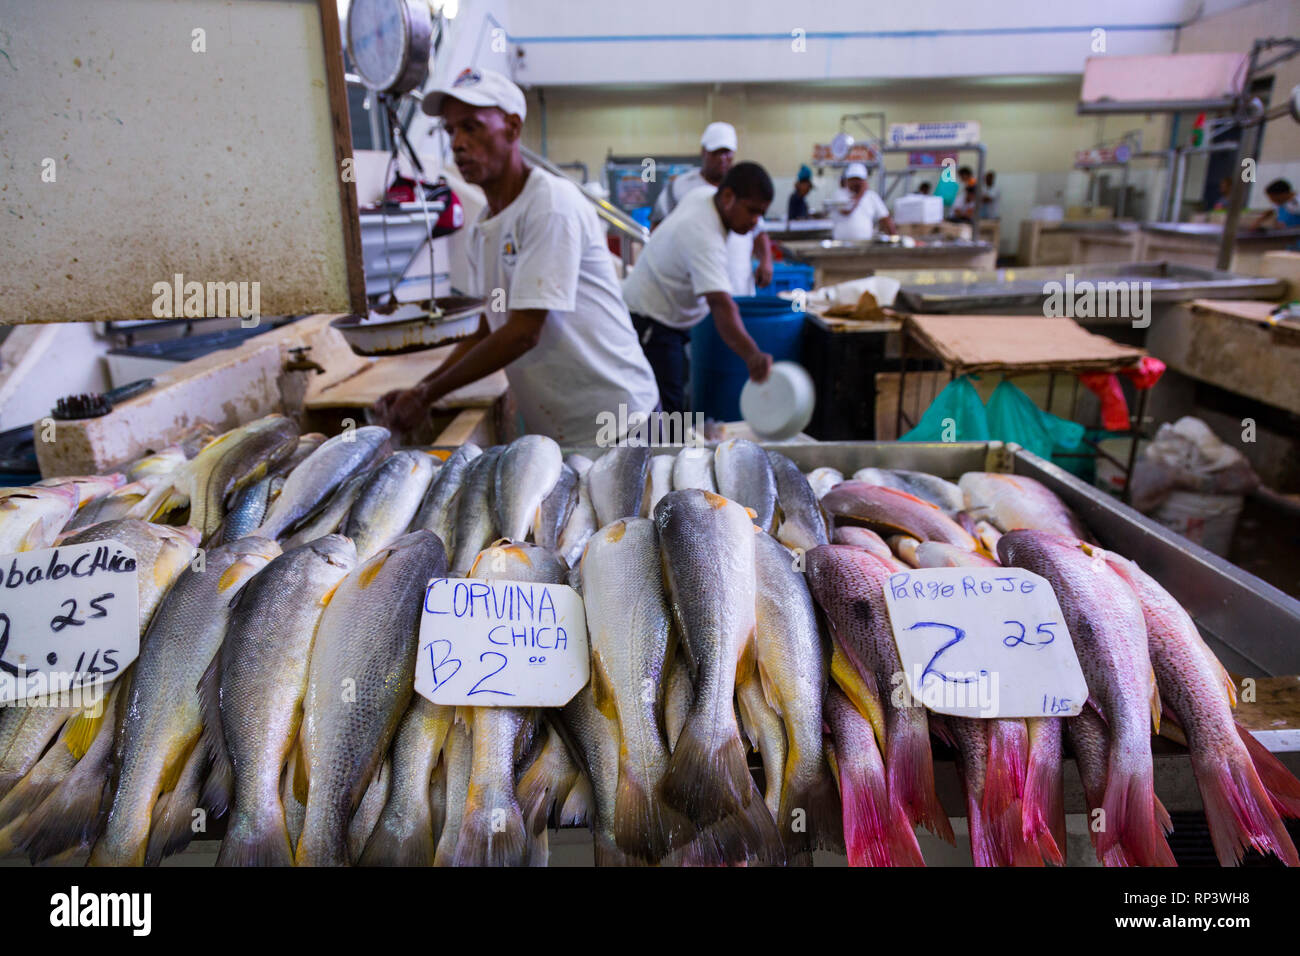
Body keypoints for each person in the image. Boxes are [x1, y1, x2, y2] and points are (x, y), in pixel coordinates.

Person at [373, 68, 659, 446]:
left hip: (620, 421)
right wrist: (421, 387)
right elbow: (489, 328)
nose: (458, 143)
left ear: (511, 127)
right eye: (451, 131)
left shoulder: (548, 204)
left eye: (472, 127)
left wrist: (428, 395)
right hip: (564, 430)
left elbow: (523, 331)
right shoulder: (484, 226)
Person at [622, 161, 776, 415]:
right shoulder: (703, 235)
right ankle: (661, 453)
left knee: (675, 400)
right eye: (751, 211)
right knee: (666, 407)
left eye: (761, 214)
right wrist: (752, 355)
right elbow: (721, 304)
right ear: (728, 197)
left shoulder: (705, 196)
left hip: (671, 317)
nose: (754, 222)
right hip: (651, 321)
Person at [651, 121, 773, 295]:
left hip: (737, 279)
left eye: (727, 153)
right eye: (716, 153)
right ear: (703, 152)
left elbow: (759, 231)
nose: (722, 159)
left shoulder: (745, 187)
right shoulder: (680, 187)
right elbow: (657, 229)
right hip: (693, 285)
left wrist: (766, 261)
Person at [830, 162, 895, 240]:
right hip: (841, 244)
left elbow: (885, 218)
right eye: (853, 180)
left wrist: (894, 238)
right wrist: (862, 192)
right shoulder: (839, 194)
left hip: (864, 245)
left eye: (858, 180)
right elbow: (846, 210)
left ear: (864, 181)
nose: (856, 183)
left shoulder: (871, 196)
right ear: (847, 181)